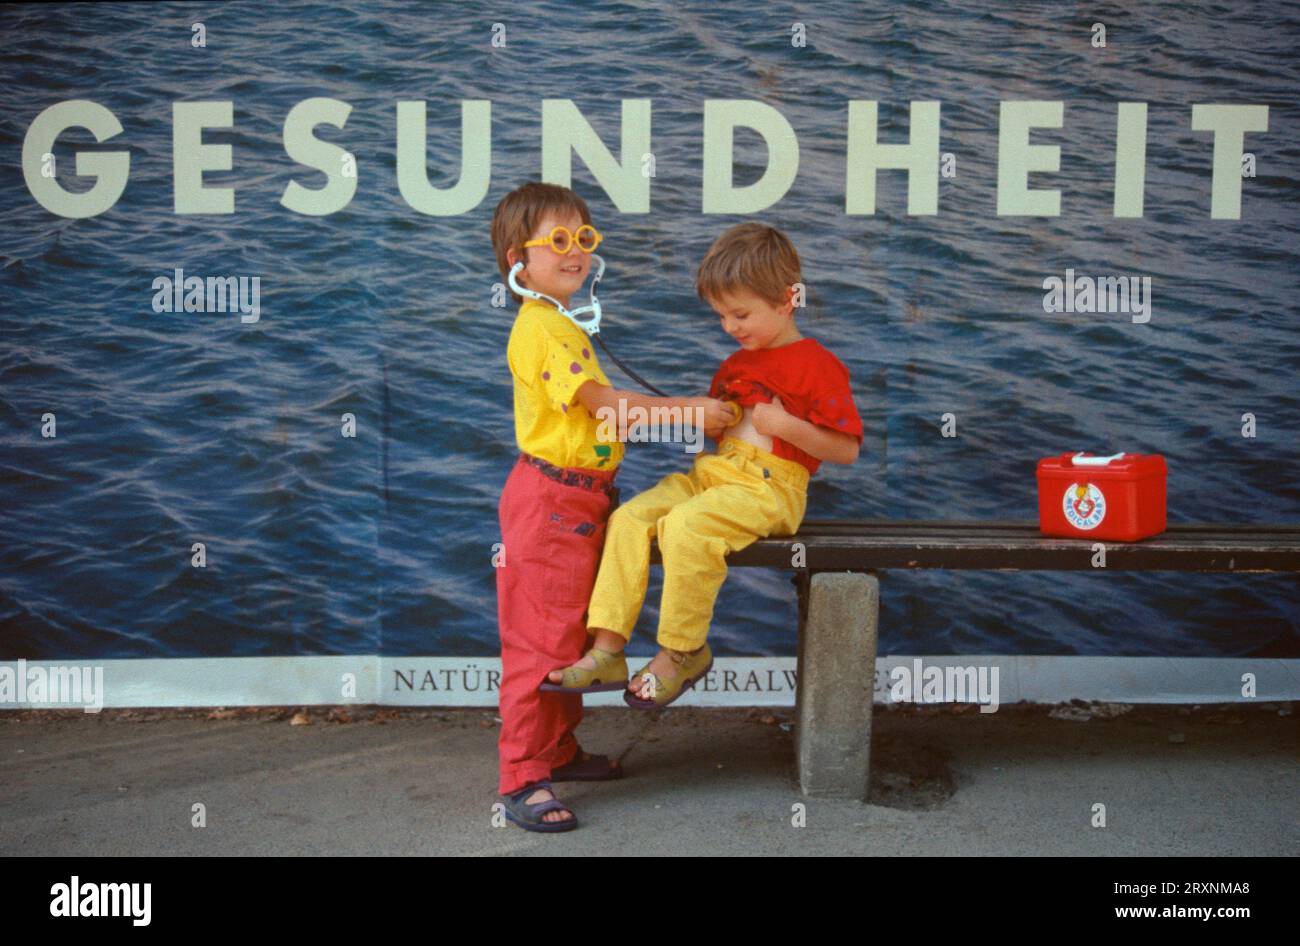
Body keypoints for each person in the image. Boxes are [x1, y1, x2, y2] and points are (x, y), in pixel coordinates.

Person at [491, 182, 733, 831]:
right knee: (540, 646)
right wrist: (690, 416)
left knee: (569, 636)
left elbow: (610, 419)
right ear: (519, 261)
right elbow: (605, 408)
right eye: (559, 241)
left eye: (584, 238)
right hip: (549, 503)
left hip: (581, 501)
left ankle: (558, 748)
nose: (576, 252)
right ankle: (522, 775)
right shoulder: (541, 329)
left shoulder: (562, 323)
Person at [545, 222, 863, 708]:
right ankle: (608, 648)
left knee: (686, 528)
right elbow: (709, 438)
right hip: (714, 476)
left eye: (741, 314)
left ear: (785, 300)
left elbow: (846, 450)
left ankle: (681, 651)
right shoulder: (736, 364)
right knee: (628, 519)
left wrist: (785, 425)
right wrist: (709, 424)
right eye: (721, 317)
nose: (731, 328)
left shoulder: (817, 365)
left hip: (770, 489)